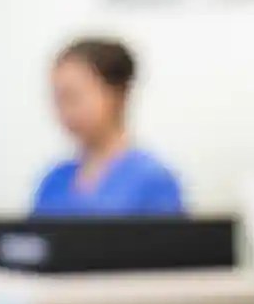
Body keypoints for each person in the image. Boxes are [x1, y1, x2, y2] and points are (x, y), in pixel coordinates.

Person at [33, 38, 184, 217]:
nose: (66, 111)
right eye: (59, 99)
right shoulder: (54, 181)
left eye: (74, 97)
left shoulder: (154, 181)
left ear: (118, 94)